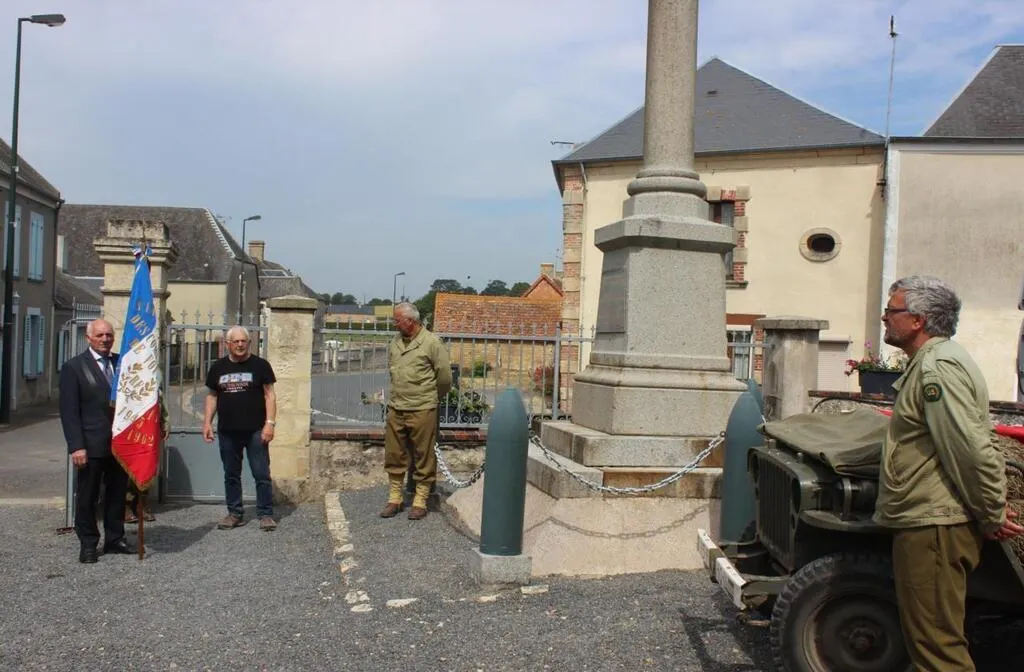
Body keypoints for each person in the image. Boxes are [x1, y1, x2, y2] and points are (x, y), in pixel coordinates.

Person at [875, 275, 1024, 670]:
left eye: (892, 311)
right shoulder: (937, 363)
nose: (884, 317)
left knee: (937, 651)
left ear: (918, 320)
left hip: (935, 523)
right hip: (932, 521)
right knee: (933, 641)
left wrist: (991, 511)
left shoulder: (937, 369)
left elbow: (970, 448)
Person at [59, 319, 133, 563]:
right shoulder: (74, 367)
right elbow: (69, 412)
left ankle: (115, 539)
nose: (105, 339)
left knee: (117, 493)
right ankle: (89, 543)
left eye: (109, 335)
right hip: (90, 444)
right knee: (88, 496)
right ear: (89, 338)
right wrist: (76, 445)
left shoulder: (122, 363)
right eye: (100, 335)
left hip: (120, 442)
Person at [202, 326, 278, 531]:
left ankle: (265, 514)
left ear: (249, 343)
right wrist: (207, 422)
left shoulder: (261, 366)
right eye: (235, 341)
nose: (240, 344)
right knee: (231, 474)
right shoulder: (218, 367)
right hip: (228, 431)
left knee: (261, 473)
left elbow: (269, 395)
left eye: (244, 341)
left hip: (256, 430)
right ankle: (234, 513)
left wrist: (269, 424)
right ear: (228, 344)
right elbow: (212, 396)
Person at [380, 303, 451, 520]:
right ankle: (395, 498)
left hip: (422, 408)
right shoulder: (395, 342)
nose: (394, 324)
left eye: (398, 320)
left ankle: (420, 500)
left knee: (423, 455)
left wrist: (430, 397)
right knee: (394, 453)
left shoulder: (431, 343)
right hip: (397, 406)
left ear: (411, 321)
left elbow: (445, 379)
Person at [125, 393, 169, 523]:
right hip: (129, 429)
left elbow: (160, 401)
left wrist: (165, 423)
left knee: (146, 468)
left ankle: (141, 505)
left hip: (149, 429)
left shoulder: (153, 380)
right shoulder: (125, 378)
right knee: (128, 470)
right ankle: (126, 506)